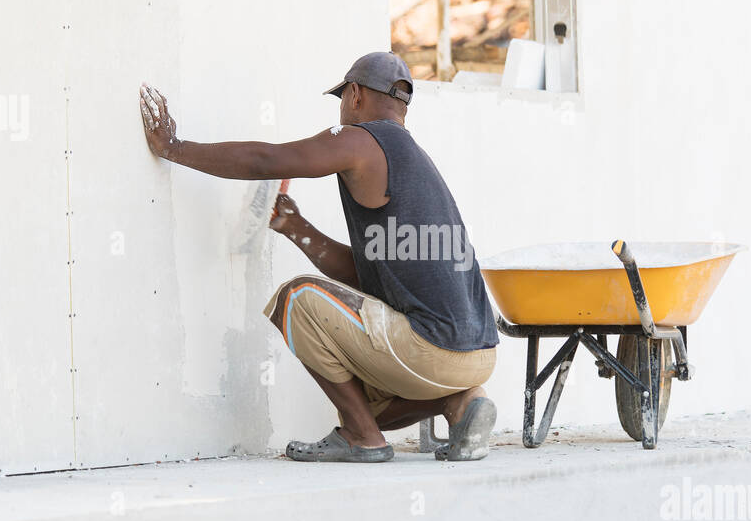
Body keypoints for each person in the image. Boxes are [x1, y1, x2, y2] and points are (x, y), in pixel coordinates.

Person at [138, 52, 498, 463]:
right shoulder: (414, 161)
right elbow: (367, 276)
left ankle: (364, 439)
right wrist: (297, 229)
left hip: (430, 349)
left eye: (342, 99)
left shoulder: (361, 139)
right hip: (477, 355)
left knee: (295, 298)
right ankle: (462, 403)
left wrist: (174, 147)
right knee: (366, 400)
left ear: (356, 94)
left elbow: (266, 160)